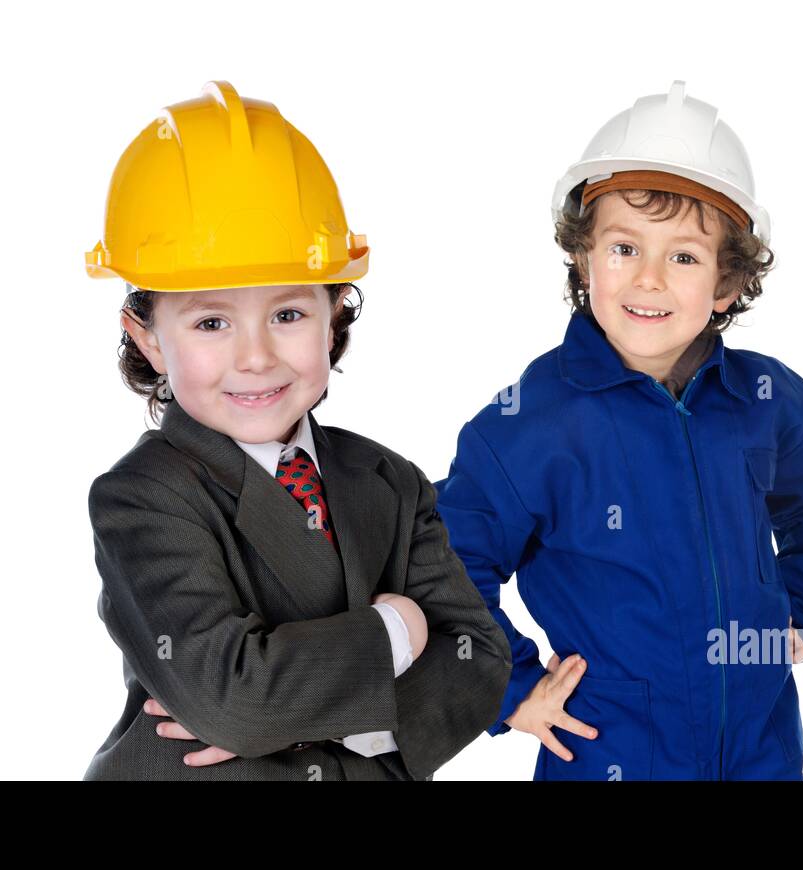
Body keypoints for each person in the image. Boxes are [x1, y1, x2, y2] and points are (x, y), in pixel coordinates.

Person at [81, 81, 510, 781]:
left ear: (335, 311)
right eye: (211, 322)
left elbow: (480, 663)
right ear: (150, 338)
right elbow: (234, 702)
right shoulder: (142, 498)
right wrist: (396, 630)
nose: (256, 356)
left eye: (288, 315)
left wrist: (306, 716)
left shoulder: (391, 482)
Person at [434, 81, 803, 780]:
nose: (650, 278)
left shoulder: (769, 400)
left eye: (685, 257)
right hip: (607, 748)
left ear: (727, 285)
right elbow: (446, 557)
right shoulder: (532, 423)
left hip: (761, 750)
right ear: (583, 259)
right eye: (624, 248)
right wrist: (511, 690)